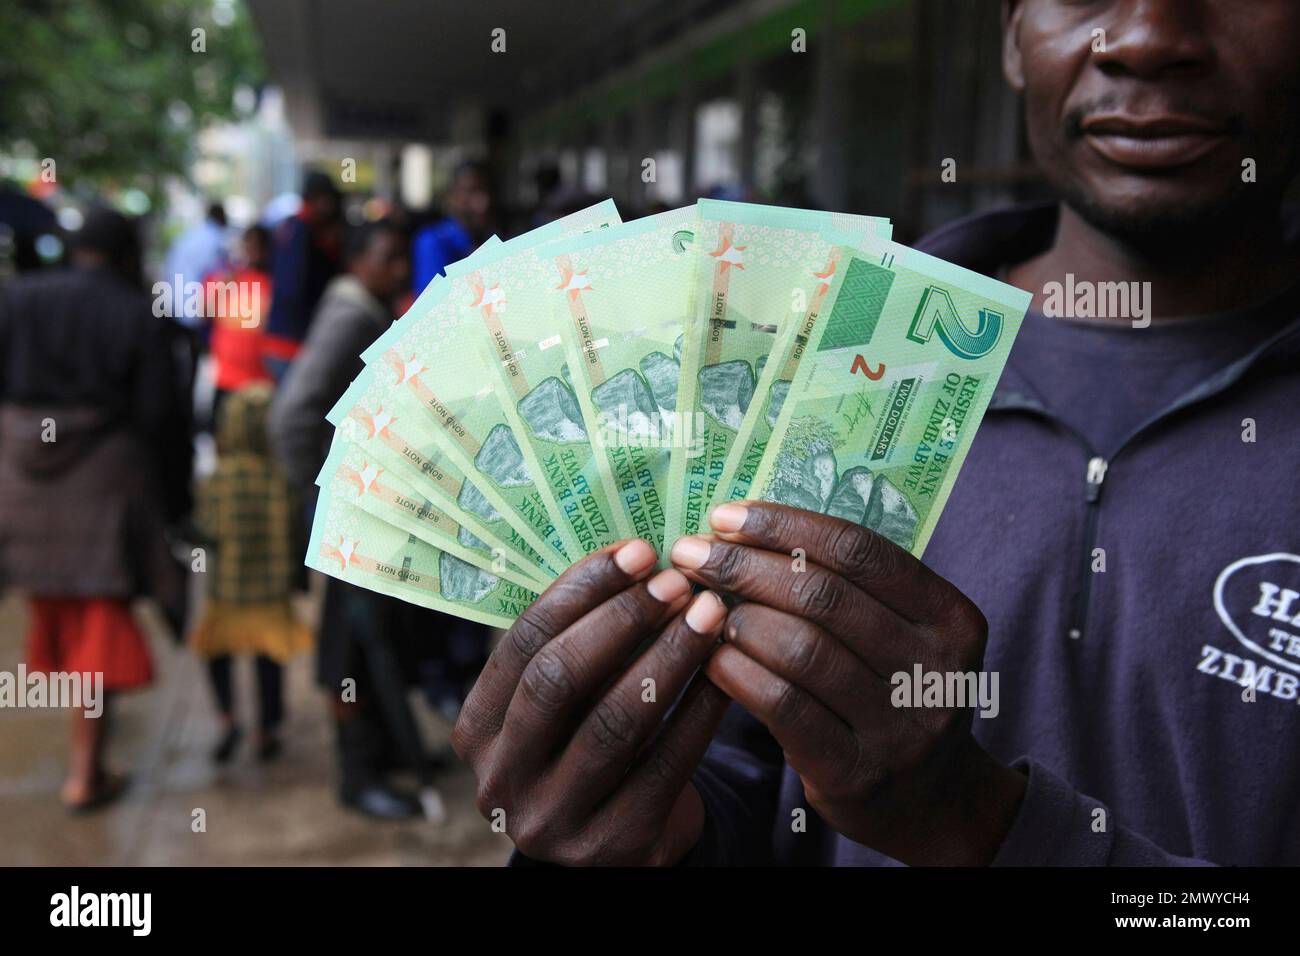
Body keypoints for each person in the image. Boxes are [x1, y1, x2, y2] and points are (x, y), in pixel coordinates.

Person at [452, 0, 1300, 866]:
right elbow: (751, 781)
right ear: (1012, 35)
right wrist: (659, 831)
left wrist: (979, 827)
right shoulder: (804, 354)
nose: (1147, 37)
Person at [270, 220, 471, 819]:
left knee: (382, 638)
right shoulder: (350, 316)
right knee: (350, 648)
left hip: (374, 511)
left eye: (397, 259)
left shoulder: (366, 309)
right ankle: (357, 776)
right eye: (384, 259)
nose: (393, 271)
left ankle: (385, 754)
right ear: (358, 261)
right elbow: (292, 417)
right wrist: (325, 499)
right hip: (352, 515)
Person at [0, 207, 192, 811]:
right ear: (127, 255)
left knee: (58, 615)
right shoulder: (137, 313)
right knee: (96, 628)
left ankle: (87, 759)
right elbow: (163, 418)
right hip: (103, 489)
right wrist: (175, 510)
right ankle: (86, 771)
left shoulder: (16, 299)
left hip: (24, 480)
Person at [190, 384, 312, 763]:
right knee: (269, 659)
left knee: (217, 653)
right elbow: (297, 536)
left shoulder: (218, 479)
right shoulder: (281, 478)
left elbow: (205, 530)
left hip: (227, 593)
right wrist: (298, 580)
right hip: (272, 595)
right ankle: (266, 729)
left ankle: (228, 719)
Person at [262, 170, 343, 381]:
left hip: (281, 340)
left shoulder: (291, 226)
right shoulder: (303, 232)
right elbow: (293, 287)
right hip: (293, 344)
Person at [204, 224, 273, 427]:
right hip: (225, 379)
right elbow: (204, 312)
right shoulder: (229, 280)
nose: (253, 251)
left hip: (258, 383)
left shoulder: (273, 283)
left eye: (258, 246)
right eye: (249, 245)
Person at [410, 160, 494, 295]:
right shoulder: (433, 241)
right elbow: (431, 303)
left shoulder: (489, 237)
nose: (483, 202)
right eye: (470, 192)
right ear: (452, 196)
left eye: (486, 191)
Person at [161, 201, 230, 332]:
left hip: (173, 302)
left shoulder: (192, 234)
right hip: (192, 307)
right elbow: (217, 277)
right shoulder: (214, 240)